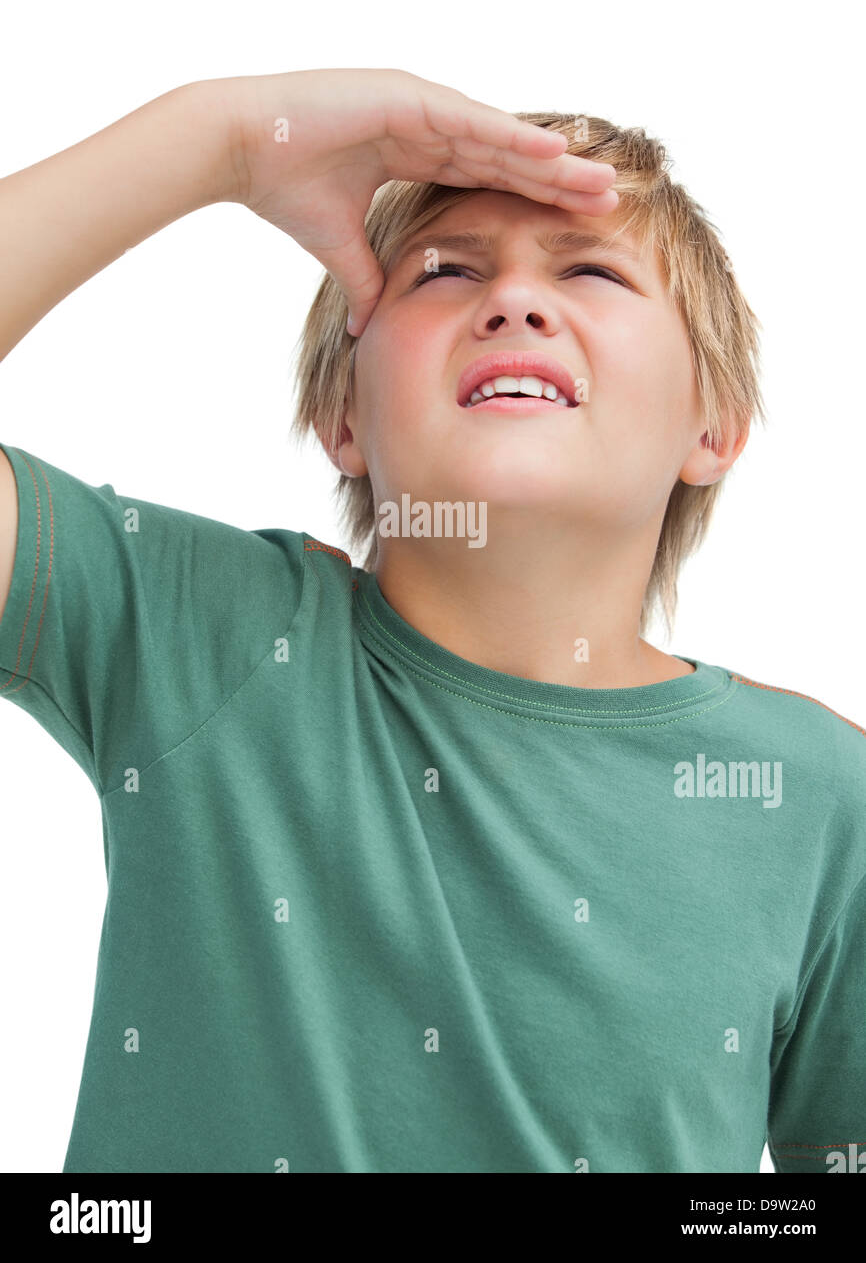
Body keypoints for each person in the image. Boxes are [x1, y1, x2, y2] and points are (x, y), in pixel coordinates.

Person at [0, 68, 863, 1173]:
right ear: (339, 415)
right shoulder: (197, 636)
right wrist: (217, 143)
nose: (511, 301)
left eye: (590, 268)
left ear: (715, 424)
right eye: (443, 271)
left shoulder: (820, 797)